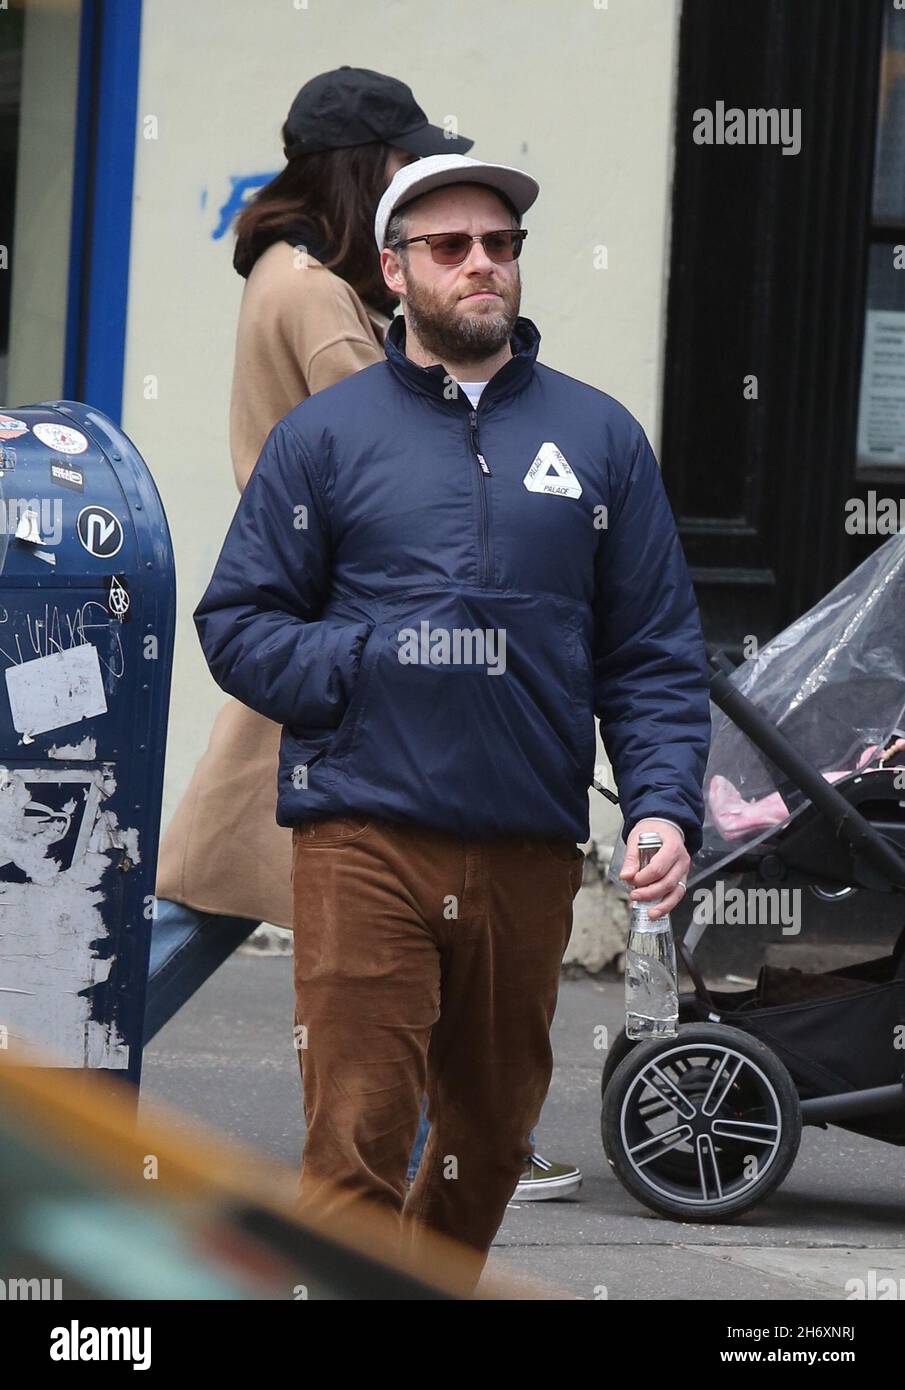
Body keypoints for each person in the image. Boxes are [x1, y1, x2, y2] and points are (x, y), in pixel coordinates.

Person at [192, 153, 711, 1291]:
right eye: (450, 246)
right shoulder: (326, 438)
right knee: (359, 1147)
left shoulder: (600, 438)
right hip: (365, 835)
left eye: (501, 244)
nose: (483, 264)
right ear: (393, 269)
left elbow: (652, 653)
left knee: (485, 1153)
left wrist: (666, 805)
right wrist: (369, 659)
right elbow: (236, 620)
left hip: (525, 845)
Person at [152, 68, 580, 1199]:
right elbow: (404, 448)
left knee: (232, 906)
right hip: (358, 647)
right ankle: (464, 1131)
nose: (416, 183)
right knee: (260, 908)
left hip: (341, 639)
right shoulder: (317, 298)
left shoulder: (283, 277)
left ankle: (461, 1128)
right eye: (402, 164)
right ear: (363, 174)